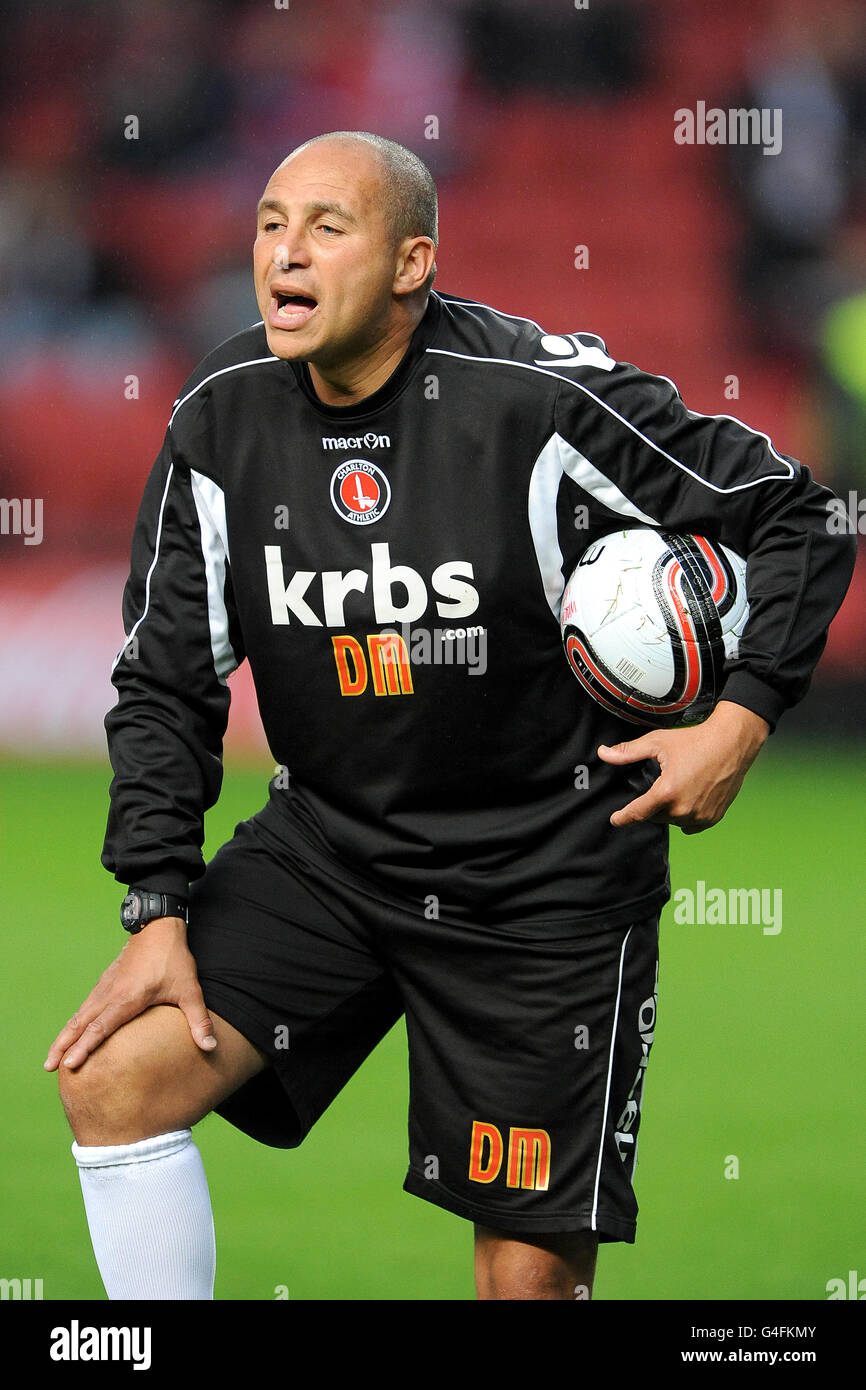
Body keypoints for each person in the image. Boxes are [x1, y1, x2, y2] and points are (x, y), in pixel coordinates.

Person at [44, 131, 855, 1301]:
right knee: (113, 1079)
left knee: (522, 1282)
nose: (285, 250)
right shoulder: (221, 419)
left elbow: (793, 512)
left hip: (544, 882)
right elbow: (164, 679)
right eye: (271, 223)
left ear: (413, 261)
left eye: (328, 226)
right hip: (333, 848)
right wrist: (157, 901)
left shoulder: (535, 402)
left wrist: (738, 717)